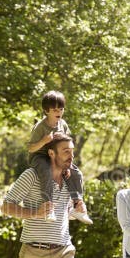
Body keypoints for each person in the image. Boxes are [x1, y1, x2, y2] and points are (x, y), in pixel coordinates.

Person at [28, 90, 92, 225]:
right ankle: (48, 207)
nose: (59, 112)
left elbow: (68, 146)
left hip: (57, 157)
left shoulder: (62, 124)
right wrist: (44, 141)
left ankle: (77, 206)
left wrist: (67, 166)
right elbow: (31, 148)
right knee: (46, 171)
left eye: (61, 109)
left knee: (76, 173)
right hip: (40, 156)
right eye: (55, 109)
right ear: (46, 111)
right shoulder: (40, 127)